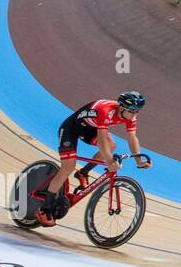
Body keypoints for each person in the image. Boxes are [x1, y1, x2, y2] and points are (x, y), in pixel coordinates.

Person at [38, 91, 150, 226]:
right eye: (132, 111)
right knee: (68, 166)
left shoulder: (130, 117)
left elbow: (132, 137)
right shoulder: (105, 110)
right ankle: (44, 209)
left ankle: (83, 172)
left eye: (137, 111)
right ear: (121, 107)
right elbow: (102, 141)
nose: (135, 115)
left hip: (91, 129)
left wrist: (138, 160)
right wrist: (110, 162)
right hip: (71, 129)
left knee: (111, 146)